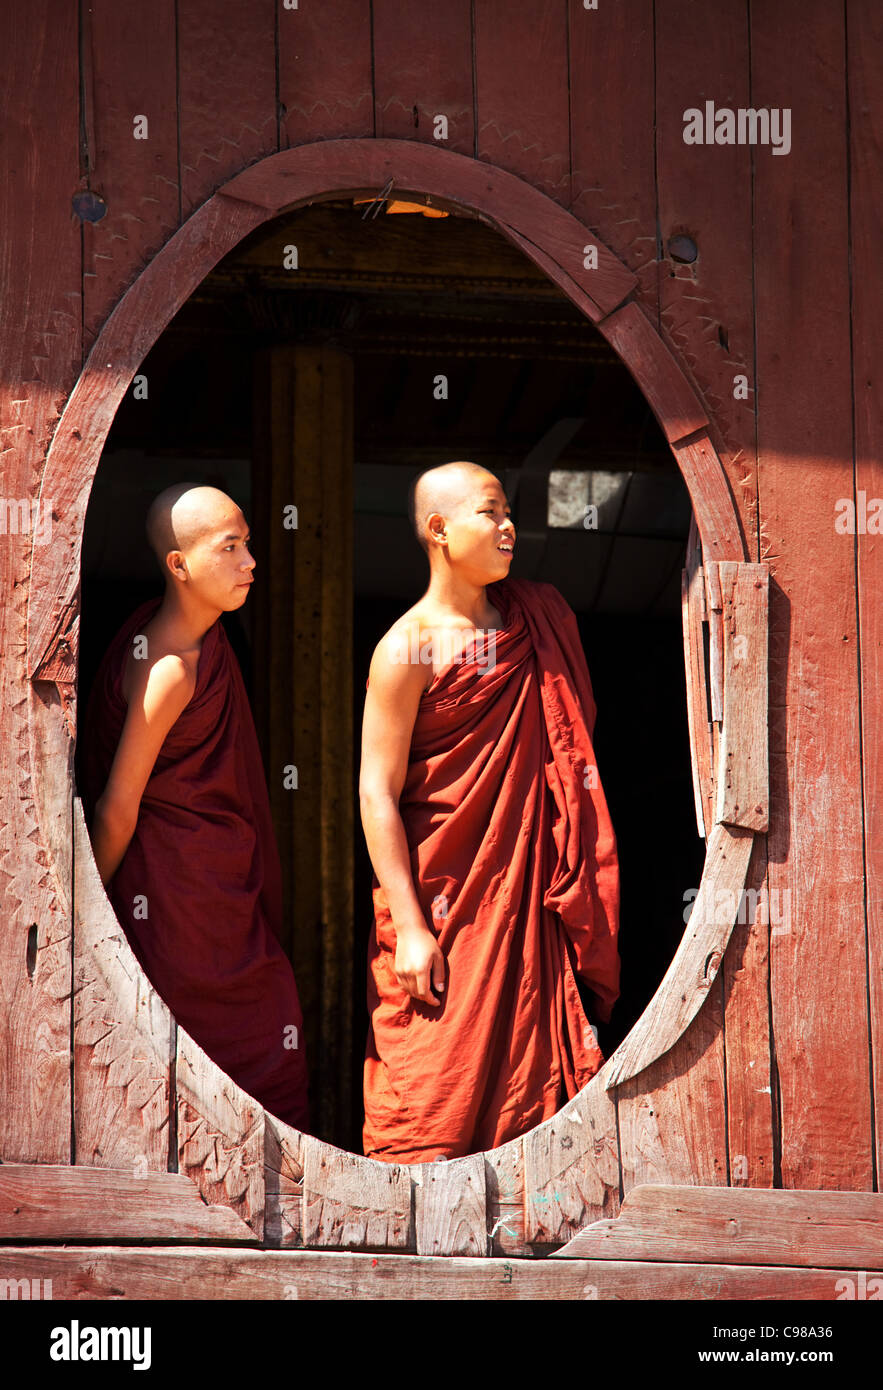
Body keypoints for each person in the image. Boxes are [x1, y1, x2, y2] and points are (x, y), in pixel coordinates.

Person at [360, 461, 620, 1163]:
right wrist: (411, 927)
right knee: (426, 1091)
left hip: (529, 896)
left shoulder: (537, 619)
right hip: (447, 902)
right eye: (489, 512)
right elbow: (375, 790)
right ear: (439, 530)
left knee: (532, 1095)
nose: (507, 526)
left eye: (508, 512)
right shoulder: (405, 647)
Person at [81, 483, 309, 1131]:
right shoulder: (171, 668)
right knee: (239, 1052)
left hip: (208, 890)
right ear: (178, 566)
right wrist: (82, 925)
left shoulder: (180, 635)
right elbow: (117, 808)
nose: (250, 562)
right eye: (229, 547)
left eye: (249, 545)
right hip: (179, 910)